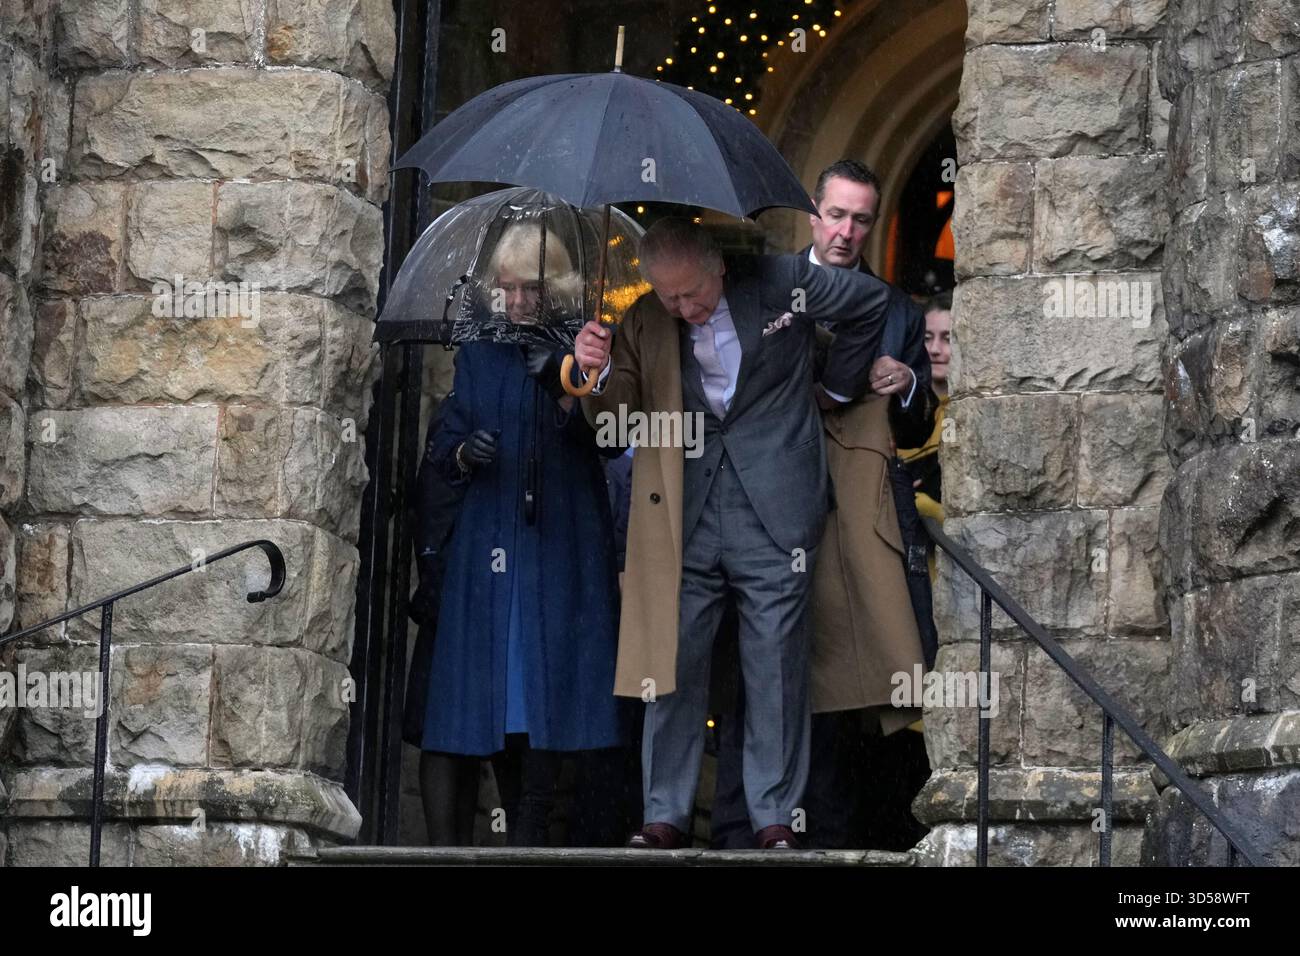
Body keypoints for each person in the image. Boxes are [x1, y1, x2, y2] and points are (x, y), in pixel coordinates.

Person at [573, 216, 893, 849]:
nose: (682, 307)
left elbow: (870, 303)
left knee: (775, 664)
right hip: (684, 512)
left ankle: (774, 816)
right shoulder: (643, 317)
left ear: (718, 264)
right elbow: (619, 414)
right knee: (673, 661)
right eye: (668, 296)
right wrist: (596, 372)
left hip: (776, 508)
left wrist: (835, 384)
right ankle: (663, 815)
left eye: (692, 293)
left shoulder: (783, 282)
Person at [418, 222, 624, 847]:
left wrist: (566, 383)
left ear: (554, 285)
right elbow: (447, 440)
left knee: (548, 692)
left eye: (529, 288)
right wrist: (463, 454)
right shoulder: (479, 350)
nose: (516, 300)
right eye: (505, 288)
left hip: (559, 539)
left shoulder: (585, 343)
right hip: (489, 540)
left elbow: (611, 440)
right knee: (493, 691)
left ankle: (534, 841)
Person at [901, 291, 952, 523]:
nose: (934, 349)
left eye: (948, 339)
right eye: (927, 337)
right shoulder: (901, 407)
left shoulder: (974, 415)